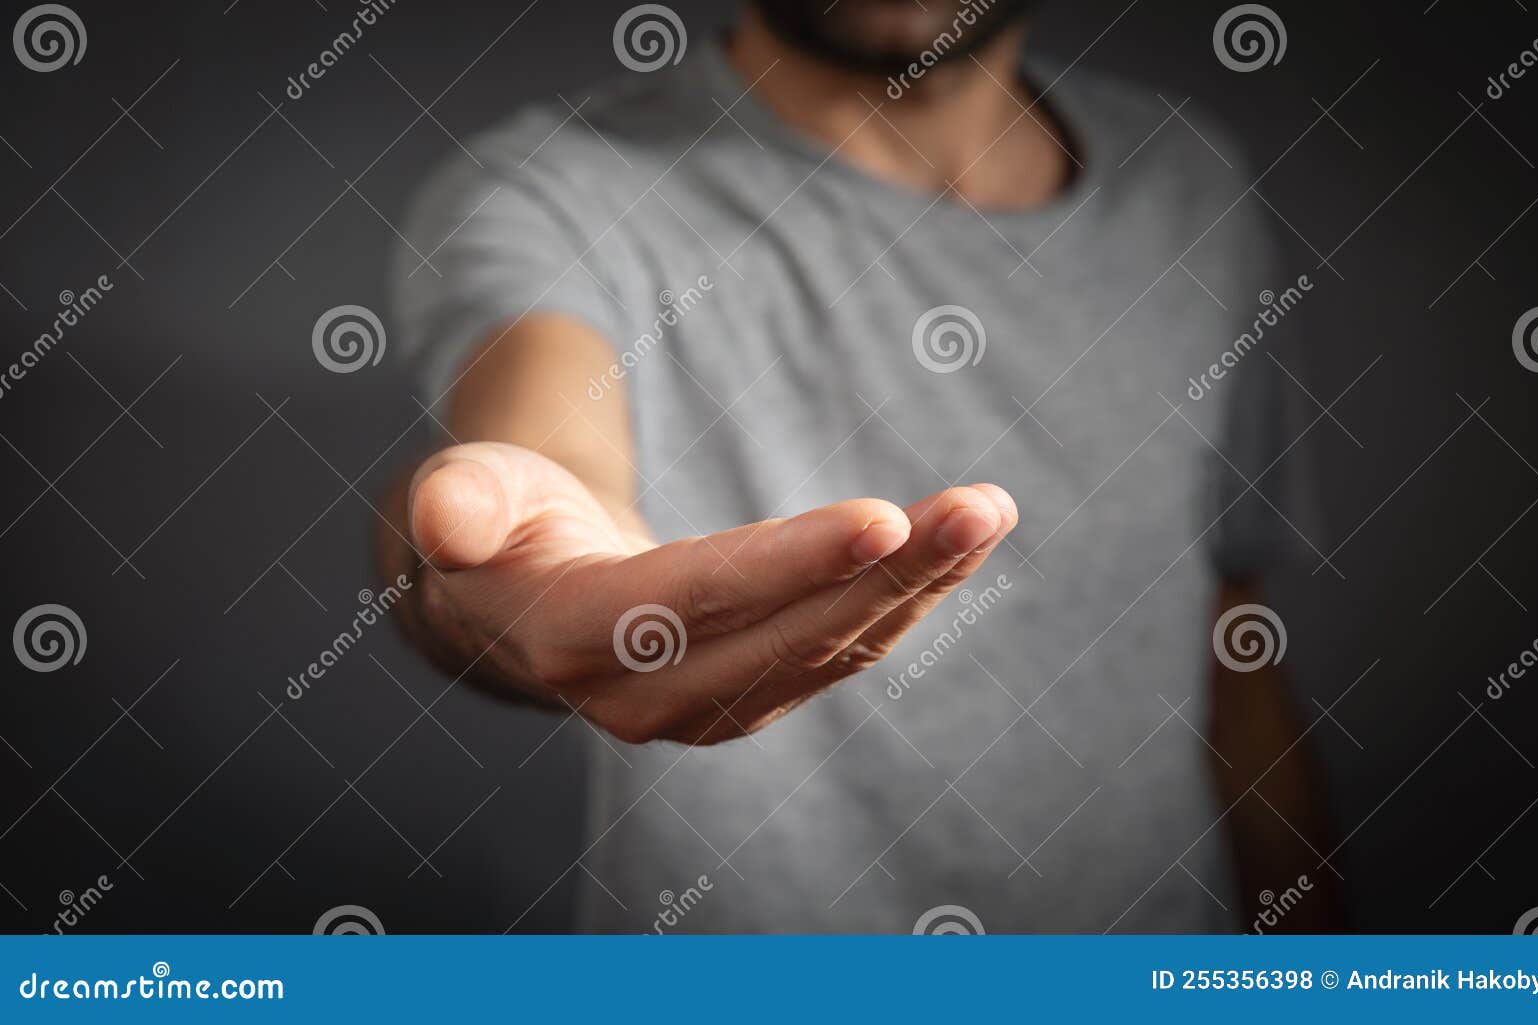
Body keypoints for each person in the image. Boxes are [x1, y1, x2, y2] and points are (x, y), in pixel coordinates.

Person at [377, 0, 1339, 933]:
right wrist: (517, 576)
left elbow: (1226, 629)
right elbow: (544, 454)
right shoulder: (559, 187)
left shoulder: (1188, 179)